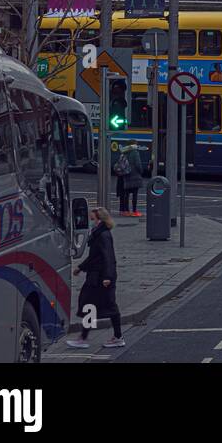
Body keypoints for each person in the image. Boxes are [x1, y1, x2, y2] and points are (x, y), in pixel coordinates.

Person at [66, 208, 124, 349]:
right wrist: (80, 267)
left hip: (101, 278)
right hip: (95, 276)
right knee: (90, 305)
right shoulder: (99, 234)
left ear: (100, 220)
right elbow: (94, 257)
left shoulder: (103, 235)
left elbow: (108, 258)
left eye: (93, 219)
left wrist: (108, 277)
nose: (91, 223)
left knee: (109, 307)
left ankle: (117, 337)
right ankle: (84, 337)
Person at [114, 143, 144, 217]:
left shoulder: (125, 153)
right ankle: (134, 211)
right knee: (135, 194)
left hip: (126, 175)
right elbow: (138, 165)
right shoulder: (135, 153)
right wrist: (141, 172)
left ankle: (126, 210)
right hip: (135, 176)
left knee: (126, 194)